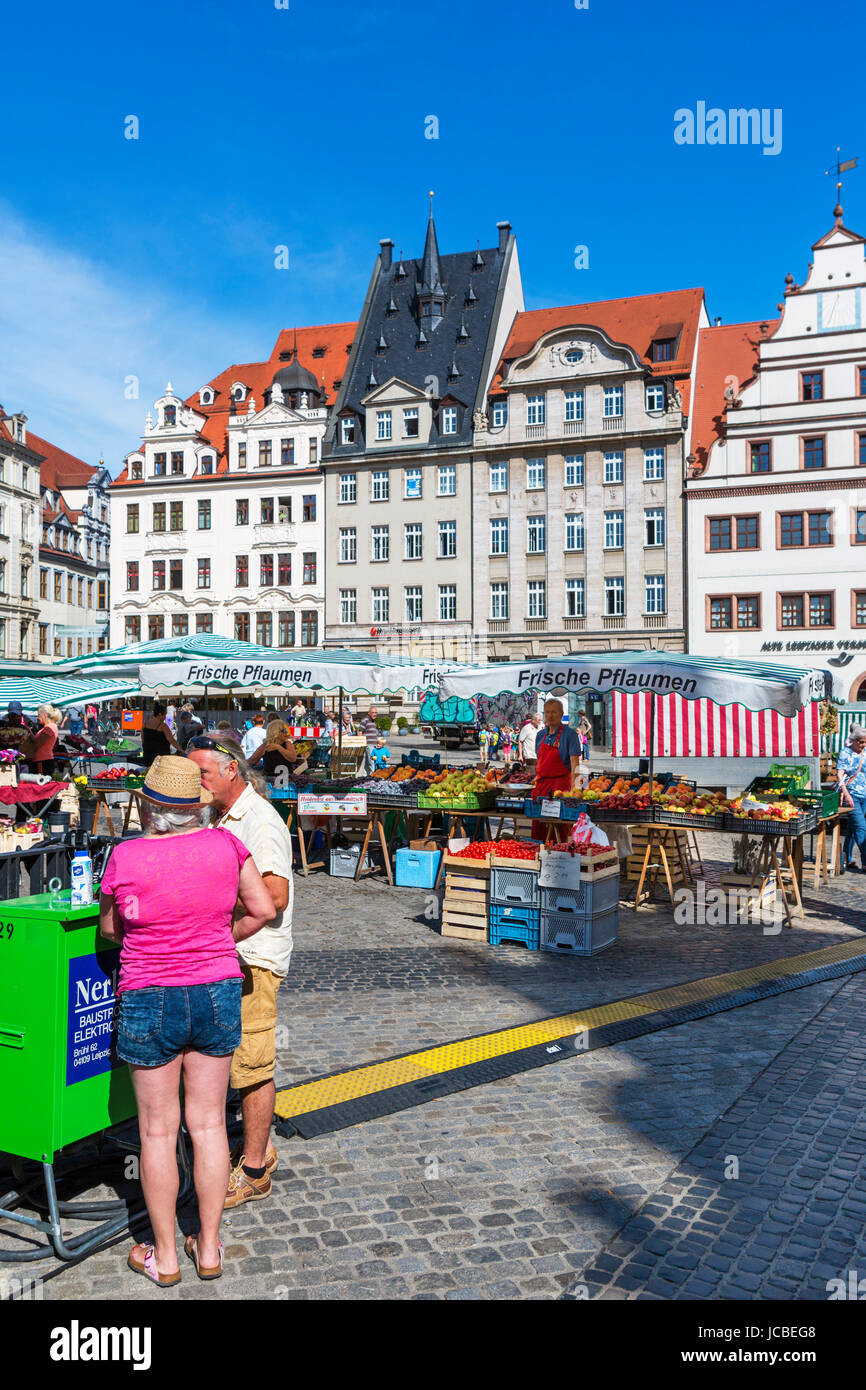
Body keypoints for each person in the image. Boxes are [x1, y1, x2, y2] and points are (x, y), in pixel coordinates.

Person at [98, 756, 273, 1285]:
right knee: (209, 1126)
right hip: (217, 990)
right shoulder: (225, 845)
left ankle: (166, 1256)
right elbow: (262, 908)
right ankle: (211, 1248)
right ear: (195, 806)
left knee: (157, 1131)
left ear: (150, 807)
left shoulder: (127, 856)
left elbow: (110, 929)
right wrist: (222, 940)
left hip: (151, 994)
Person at [186, 738, 294, 1208]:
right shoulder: (218, 816)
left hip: (254, 958)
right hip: (228, 954)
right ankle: (260, 1148)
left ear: (232, 770)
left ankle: (253, 1171)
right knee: (234, 1059)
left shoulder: (259, 820)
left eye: (203, 773)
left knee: (252, 1064)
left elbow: (275, 896)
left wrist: (211, 901)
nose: (197, 782)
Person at [530, 699, 582, 842]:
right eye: (547, 712)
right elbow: (539, 761)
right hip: (541, 788)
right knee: (539, 827)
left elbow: (575, 766)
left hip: (561, 788)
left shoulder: (570, 735)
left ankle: (559, 859)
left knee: (559, 828)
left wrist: (574, 792)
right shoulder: (540, 735)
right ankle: (539, 858)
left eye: (554, 712)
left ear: (561, 714)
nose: (550, 715)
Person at [837, 725, 866, 873]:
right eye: (860, 742)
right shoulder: (845, 753)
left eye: (865, 742)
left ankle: (846, 858)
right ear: (853, 740)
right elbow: (840, 775)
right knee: (861, 828)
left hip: (864, 795)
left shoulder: (865, 753)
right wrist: (846, 793)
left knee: (852, 829)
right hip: (852, 795)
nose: (863, 745)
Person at [21, 704, 62, 776]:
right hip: (40, 760)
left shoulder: (50, 728)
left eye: (39, 715)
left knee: (41, 784)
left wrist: (28, 731)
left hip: (42, 761)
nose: (38, 717)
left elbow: (37, 743)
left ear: (45, 715)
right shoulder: (47, 727)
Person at [357, 706, 380, 776]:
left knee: (368, 763)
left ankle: (366, 777)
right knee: (372, 762)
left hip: (373, 745)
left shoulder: (373, 721)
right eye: (373, 712)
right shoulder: (365, 720)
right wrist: (360, 744)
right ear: (369, 713)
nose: (374, 714)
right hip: (368, 744)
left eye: (376, 712)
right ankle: (372, 777)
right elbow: (360, 732)